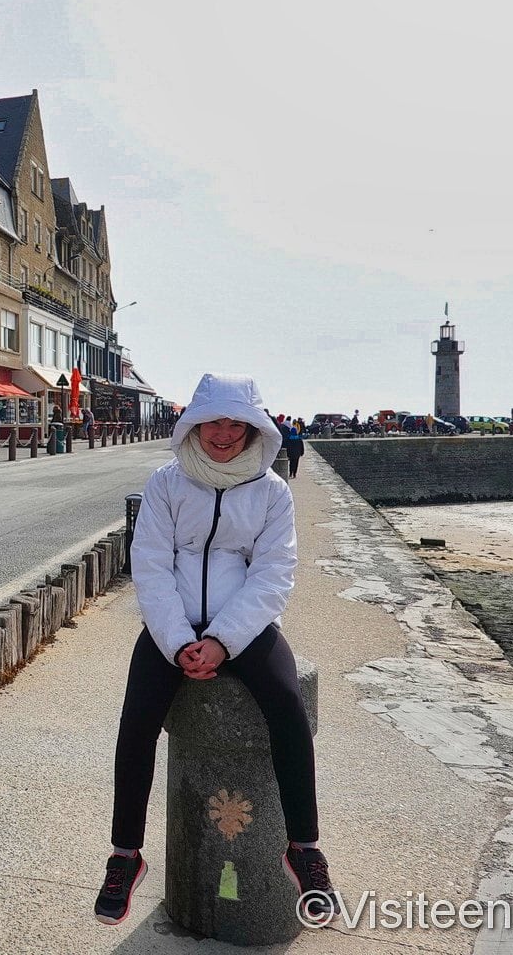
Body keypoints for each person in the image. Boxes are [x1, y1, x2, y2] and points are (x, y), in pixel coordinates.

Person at [94, 372, 335, 927]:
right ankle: (125, 855)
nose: (224, 434)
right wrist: (179, 642)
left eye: (236, 423)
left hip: (242, 625)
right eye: (213, 422)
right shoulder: (165, 483)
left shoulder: (272, 491)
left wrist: (224, 641)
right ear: (194, 424)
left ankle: (303, 846)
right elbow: (150, 565)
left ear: (256, 429)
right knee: (136, 724)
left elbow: (275, 574)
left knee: (287, 708)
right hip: (170, 625)